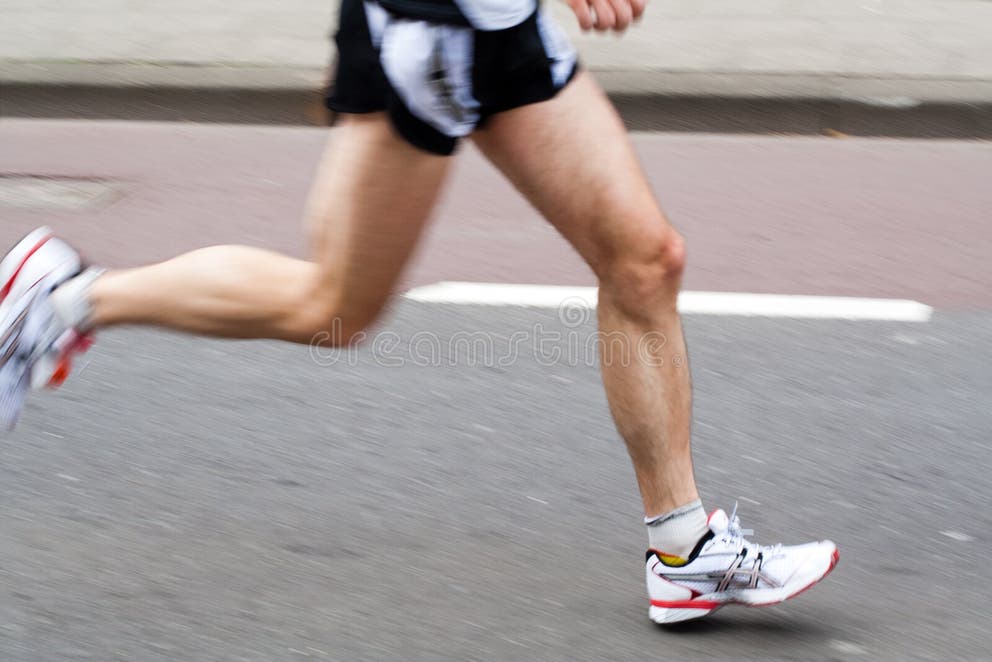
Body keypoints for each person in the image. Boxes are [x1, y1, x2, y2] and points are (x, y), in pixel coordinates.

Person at [0, 0, 837, 624]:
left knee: (646, 262)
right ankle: (62, 298)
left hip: (498, 18)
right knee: (332, 306)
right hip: (428, 22)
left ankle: (684, 549)